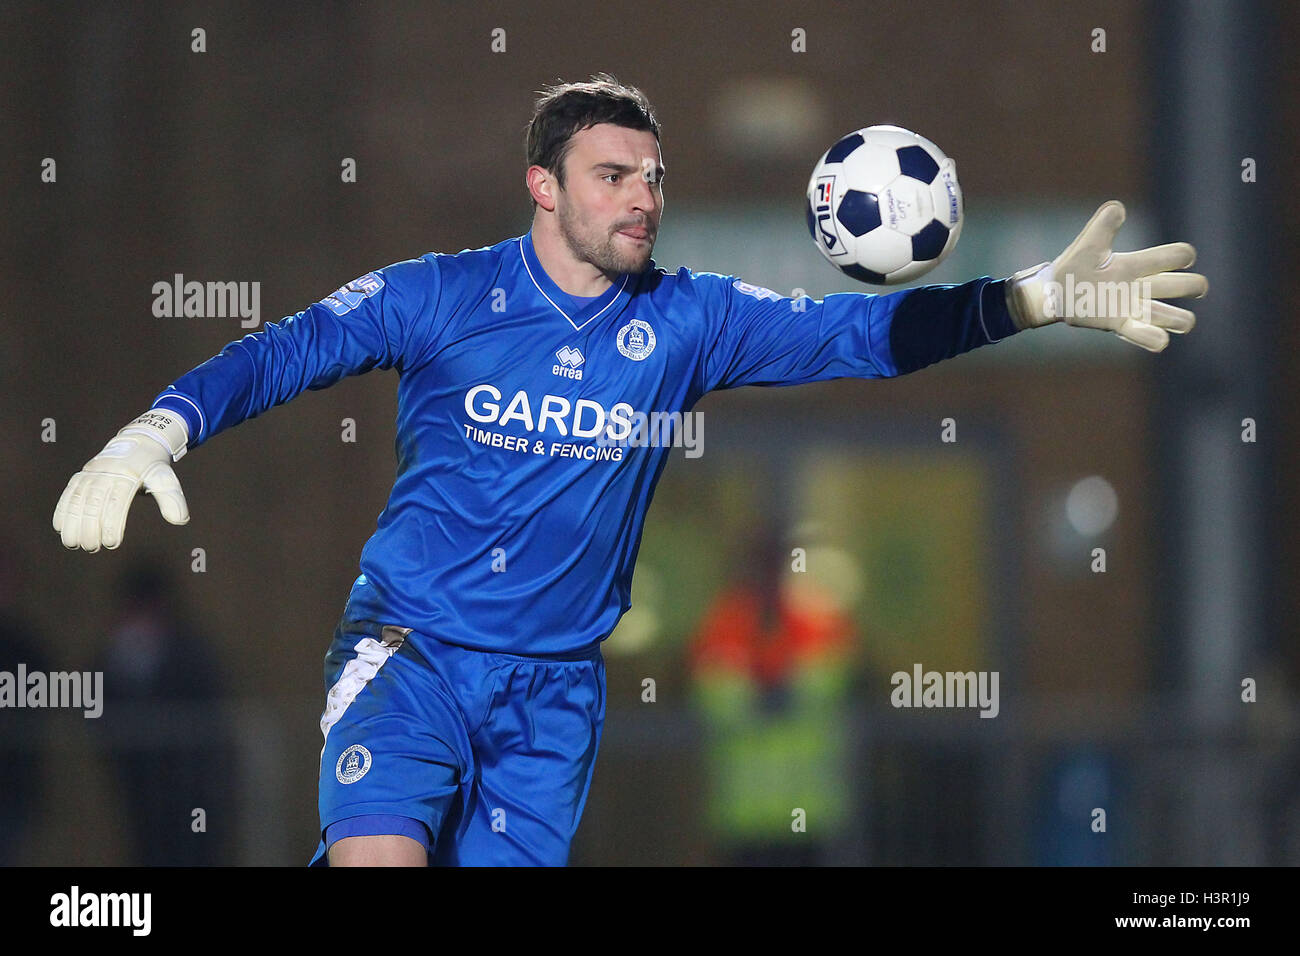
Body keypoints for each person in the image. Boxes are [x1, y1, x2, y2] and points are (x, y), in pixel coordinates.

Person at [52, 74, 1207, 866]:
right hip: (412, 651)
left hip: (552, 692)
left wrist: (1023, 300)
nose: (642, 198)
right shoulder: (444, 295)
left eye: (652, 177)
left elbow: (859, 337)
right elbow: (287, 349)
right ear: (544, 187)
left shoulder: (689, 320)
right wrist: (159, 427)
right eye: (613, 176)